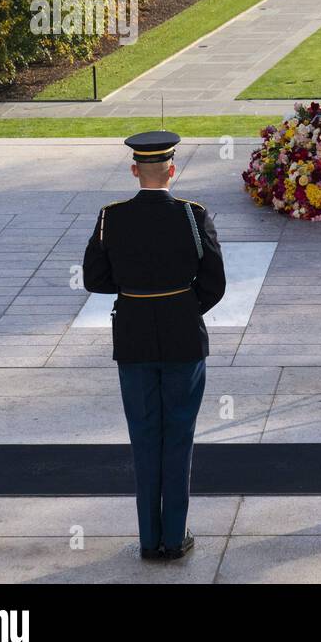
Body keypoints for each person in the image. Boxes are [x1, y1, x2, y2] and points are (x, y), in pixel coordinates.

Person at [82, 131, 226, 561]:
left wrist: (133, 293)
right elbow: (214, 283)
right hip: (183, 338)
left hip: (133, 338)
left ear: (133, 171)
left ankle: (149, 539)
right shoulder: (191, 215)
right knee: (178, 436)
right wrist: (182, 306)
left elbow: (94, 279)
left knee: (144, 438)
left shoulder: (112, 217)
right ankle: (174, 536)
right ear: (172, 169)